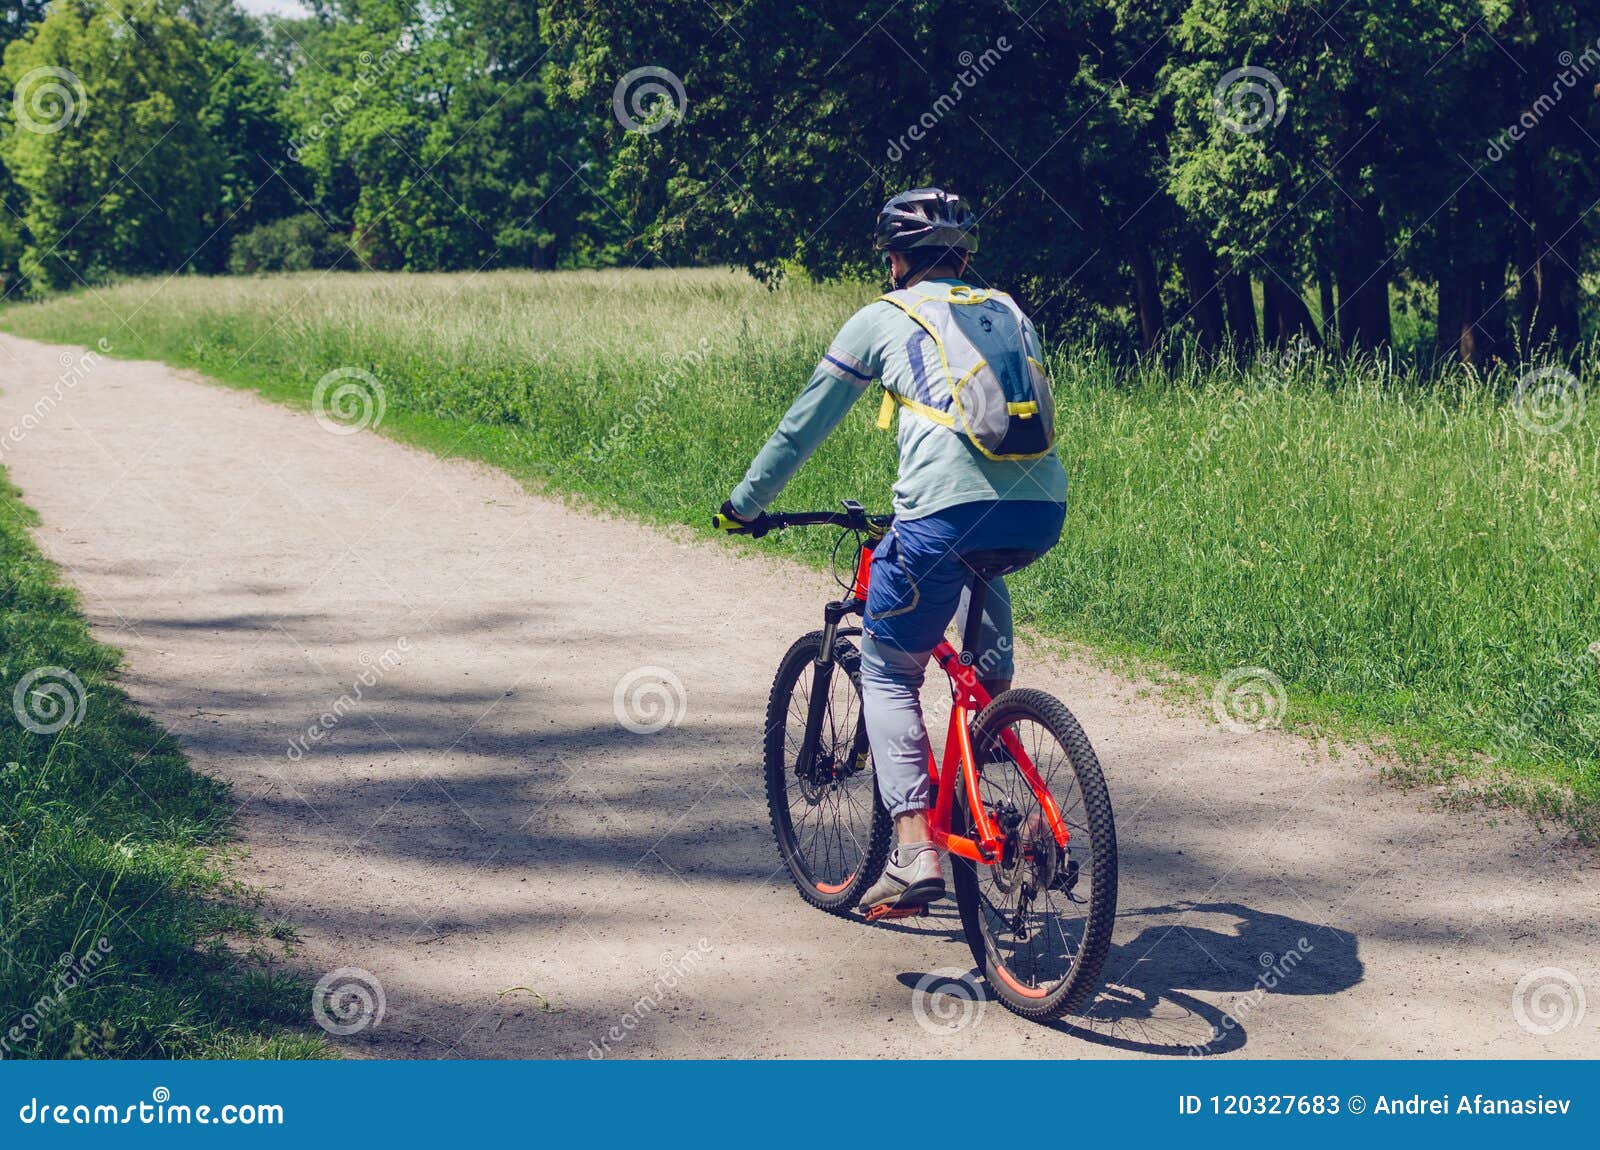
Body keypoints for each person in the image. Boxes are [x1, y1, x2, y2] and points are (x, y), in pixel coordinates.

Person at [717, 188, 1068, 915]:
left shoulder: (884, 316)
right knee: (977, 607)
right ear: (963, 258)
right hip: (1039, 510)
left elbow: (803, 426)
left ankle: (913, 851)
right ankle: (996, 776)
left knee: (887, 670)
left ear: (896, 259)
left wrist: (745, 504)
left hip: (942, 514)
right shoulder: (1008, 310)